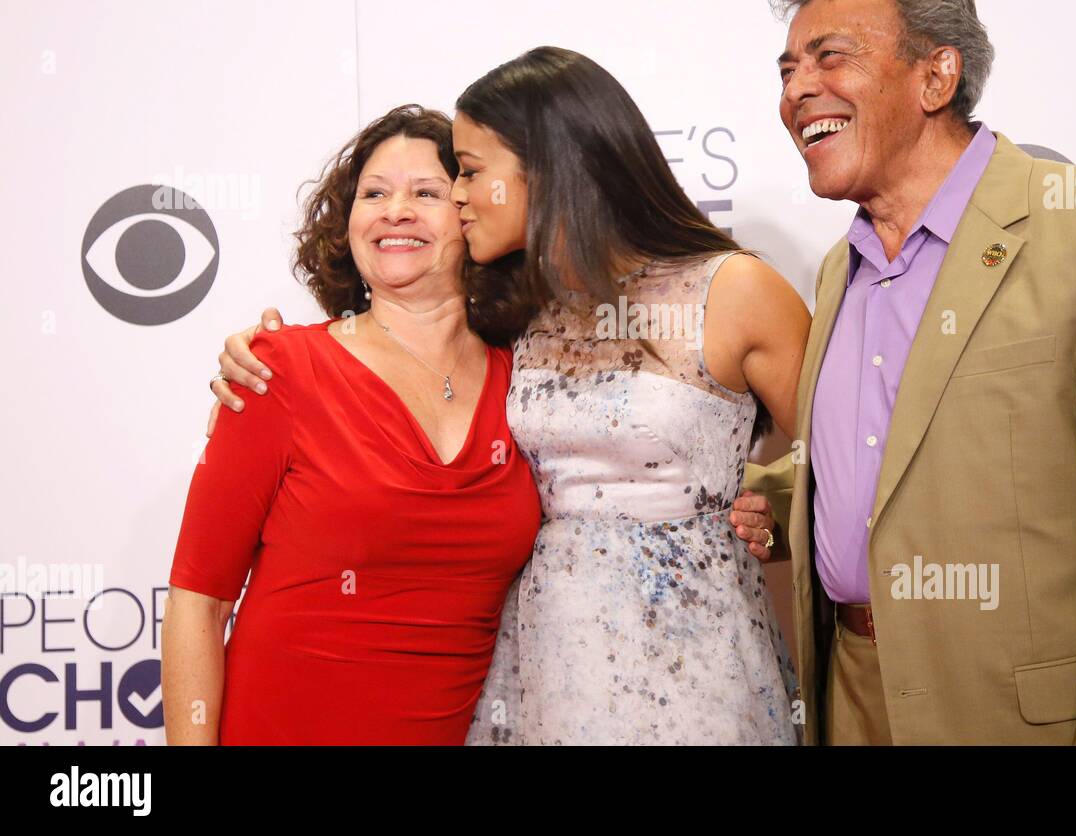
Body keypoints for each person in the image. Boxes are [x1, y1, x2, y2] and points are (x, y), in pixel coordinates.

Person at [208, 47, 809, 744]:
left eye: (468, 173)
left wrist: (777, 511)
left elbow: (850, 473)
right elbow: (399, 351)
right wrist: (257, 354)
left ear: (548, 167)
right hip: (542, 671)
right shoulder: (524, 314)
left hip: (697, 659)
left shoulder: (733, 291)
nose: (457, 195)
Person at [742, 0, 1076, 744]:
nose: (799, 89)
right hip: (853, 699)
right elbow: (901, 451)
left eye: (829, 57)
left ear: (936, 77)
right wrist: (771, 499)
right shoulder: (842, 268)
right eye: (786, 71)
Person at [162, 105, 542, 745]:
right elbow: (199, 604)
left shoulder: (529, 379)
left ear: (471, 212)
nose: (396, 210)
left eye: (426, 192)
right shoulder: (278, 368)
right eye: (373, 194)